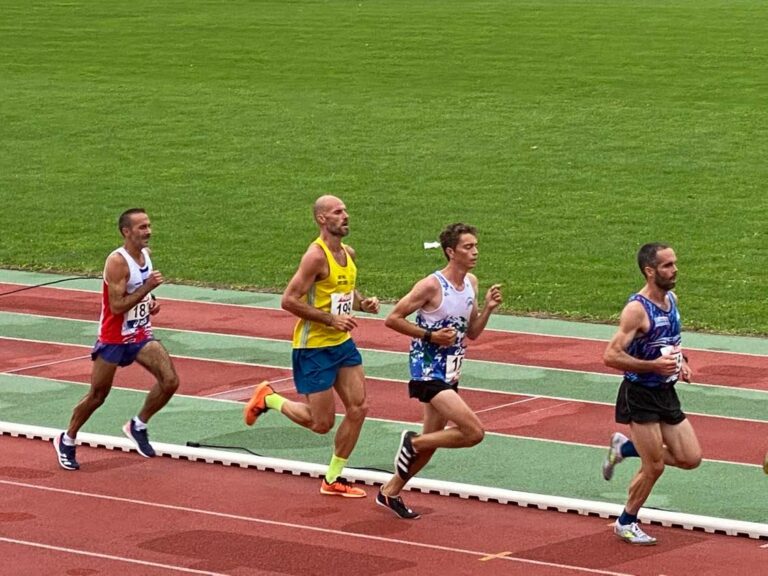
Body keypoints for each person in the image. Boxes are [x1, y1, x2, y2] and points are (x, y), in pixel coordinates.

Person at [243, 195, 379, 498]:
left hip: (342, 344)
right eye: (338, 212)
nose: (346, 216)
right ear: (322, 219)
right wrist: (330, 320)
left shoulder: (348, 253)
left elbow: (344, 286)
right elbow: (288, 300)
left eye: (346, 210)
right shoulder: (315, 257)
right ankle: (270, 399)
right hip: (313, 348)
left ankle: (333, 478)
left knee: (359, 408)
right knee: (321, 424)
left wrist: (363, 302)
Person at [375, 222, 502, 519]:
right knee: (473, 432)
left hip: (451, 370)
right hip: (427, 370)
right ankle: (412, 441)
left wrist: (488, 309)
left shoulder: (471, 282)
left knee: (433, 441)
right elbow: (393, 319)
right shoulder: (430, 285)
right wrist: (430, 336)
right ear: (450, 252)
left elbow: (472, 333)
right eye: (468, 247)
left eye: (475, 246)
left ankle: (390, 491)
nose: (475, 252)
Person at [53, 208, 180, 470]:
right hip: (114, 338)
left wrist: (151, 302)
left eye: (148, 225)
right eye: (142, 227)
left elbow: (138, 294)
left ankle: (138, 424)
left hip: (140, 333)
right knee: (98, 395)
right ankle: (67, 438)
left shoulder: (146, 255)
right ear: (126, 232)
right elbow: (117, 306)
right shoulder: (117, 262)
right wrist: (148, 289)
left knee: (170, 381)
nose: (148, 231)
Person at [602, 242, 702, 545]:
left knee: (690, 458)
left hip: (666, 392)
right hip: (640, 393)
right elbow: (610, 356)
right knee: (655, 465)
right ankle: (626, 522)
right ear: (650, 271)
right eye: (667, 265)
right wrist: (652, 366)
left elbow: (669, 339)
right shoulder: (636, 310)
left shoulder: (672, 298)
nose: (675, 270)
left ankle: (624, 449)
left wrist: (681, 362)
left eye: (674, 263)